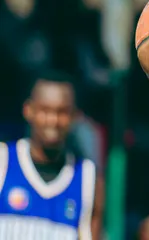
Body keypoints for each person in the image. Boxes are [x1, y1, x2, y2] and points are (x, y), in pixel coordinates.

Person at [0, 72, 104, 239]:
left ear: (74, 116)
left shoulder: (87, 179)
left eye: (61, 112)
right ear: (28, 110)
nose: (52, 120)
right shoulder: (3, 161)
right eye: (45, 110)